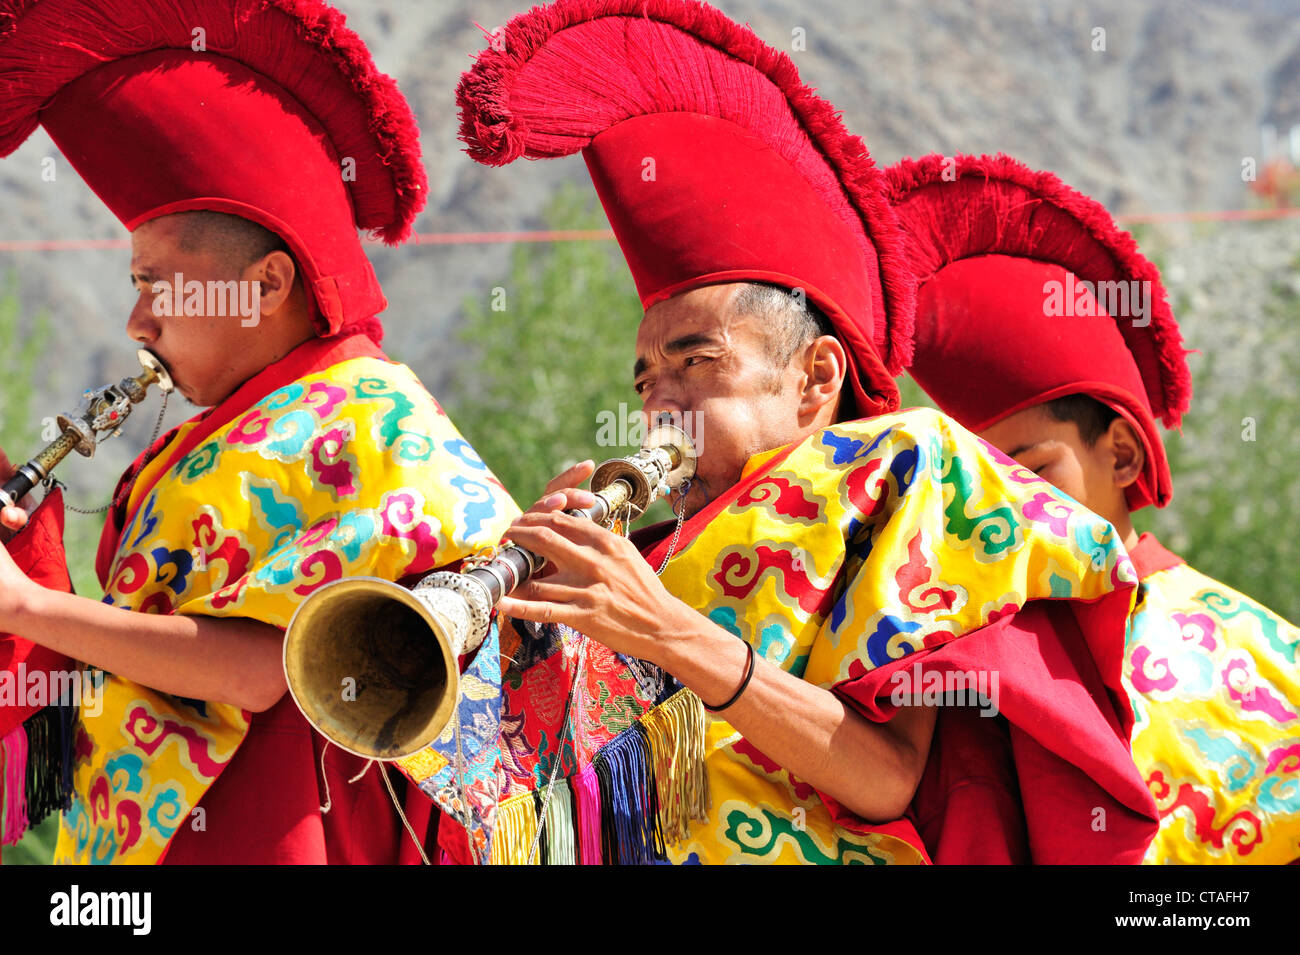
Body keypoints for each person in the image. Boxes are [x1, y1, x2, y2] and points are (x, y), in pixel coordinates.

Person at [400, 0, 1158, 865]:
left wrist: (664, 630)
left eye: (698, 363)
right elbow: (550, 809)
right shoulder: (647, 552)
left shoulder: (903, 475)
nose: (660, 402)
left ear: (815, 380)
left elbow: (887, 779)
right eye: (646, 380)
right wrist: (522, 620)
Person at [0, 0, 518, 864]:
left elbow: (260, 668)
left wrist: (26, 606)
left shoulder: (366, 415)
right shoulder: (243, 424)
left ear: (267, 282)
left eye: (155, 282)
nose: (137, 320)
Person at [888, 151, 1300, 864]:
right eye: (974, 487)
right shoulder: (942, 655)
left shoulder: (1269, 661)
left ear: (1121, 455)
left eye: (1029, 469)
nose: (1003, 513)